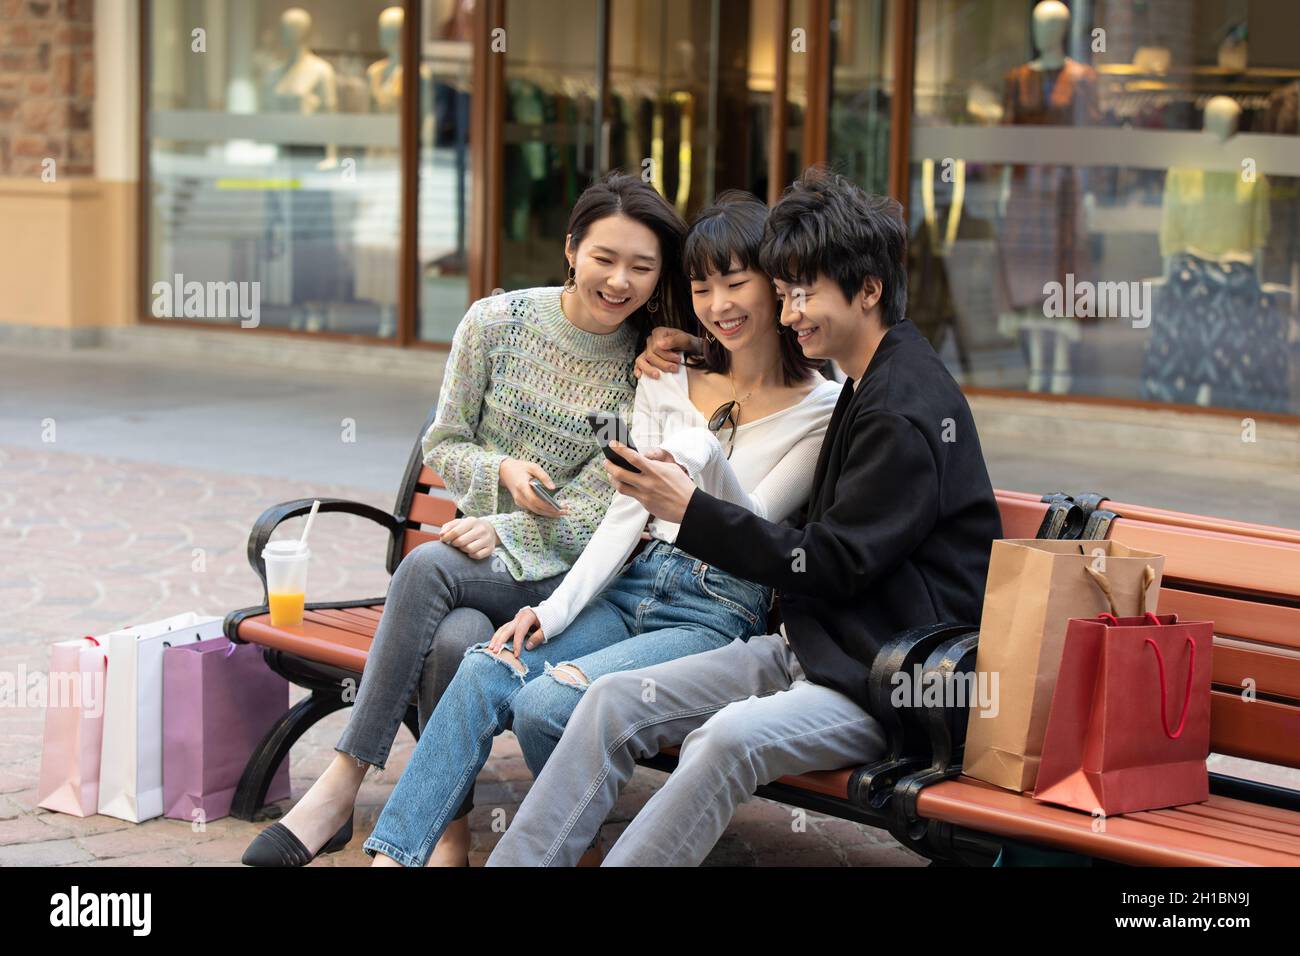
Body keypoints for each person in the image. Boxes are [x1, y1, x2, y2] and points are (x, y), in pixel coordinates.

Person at [486, 165, 1004, 867]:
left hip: (882, 680)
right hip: (811, 649)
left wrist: (690, 509)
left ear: (869, 290)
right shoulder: (870, 377)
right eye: (784, 294)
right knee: (609, 702)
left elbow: (831, 562)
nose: (788, 315)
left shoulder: (904, 407)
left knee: (727, 739)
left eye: (803, 295)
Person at [362, 192, 843, 867]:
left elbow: (755, 528)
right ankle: (393, 858)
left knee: (547, 704)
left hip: (714, 609)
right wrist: (552, 612)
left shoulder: (821, 409)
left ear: (774, 284)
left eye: (737, 282)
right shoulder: (669, 376)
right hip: (630, 584)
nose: (718, 304)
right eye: (702, 286)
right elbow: (626, 515)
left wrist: (701, 456)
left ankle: (567, 847)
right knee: (484, 669)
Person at [242, 171, 692, 867]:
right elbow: (445, 441)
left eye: (642, 267)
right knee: (457, 639)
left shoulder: (644, 368)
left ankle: (341, 785)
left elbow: (609, 507)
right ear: (571, 249)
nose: (619, 281)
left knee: (425, 567)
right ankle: (446, 831)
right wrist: (502, 474)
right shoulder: (495, 324)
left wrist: (507, 531)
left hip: (573, 585)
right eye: (605, 258)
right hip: (477, 573)